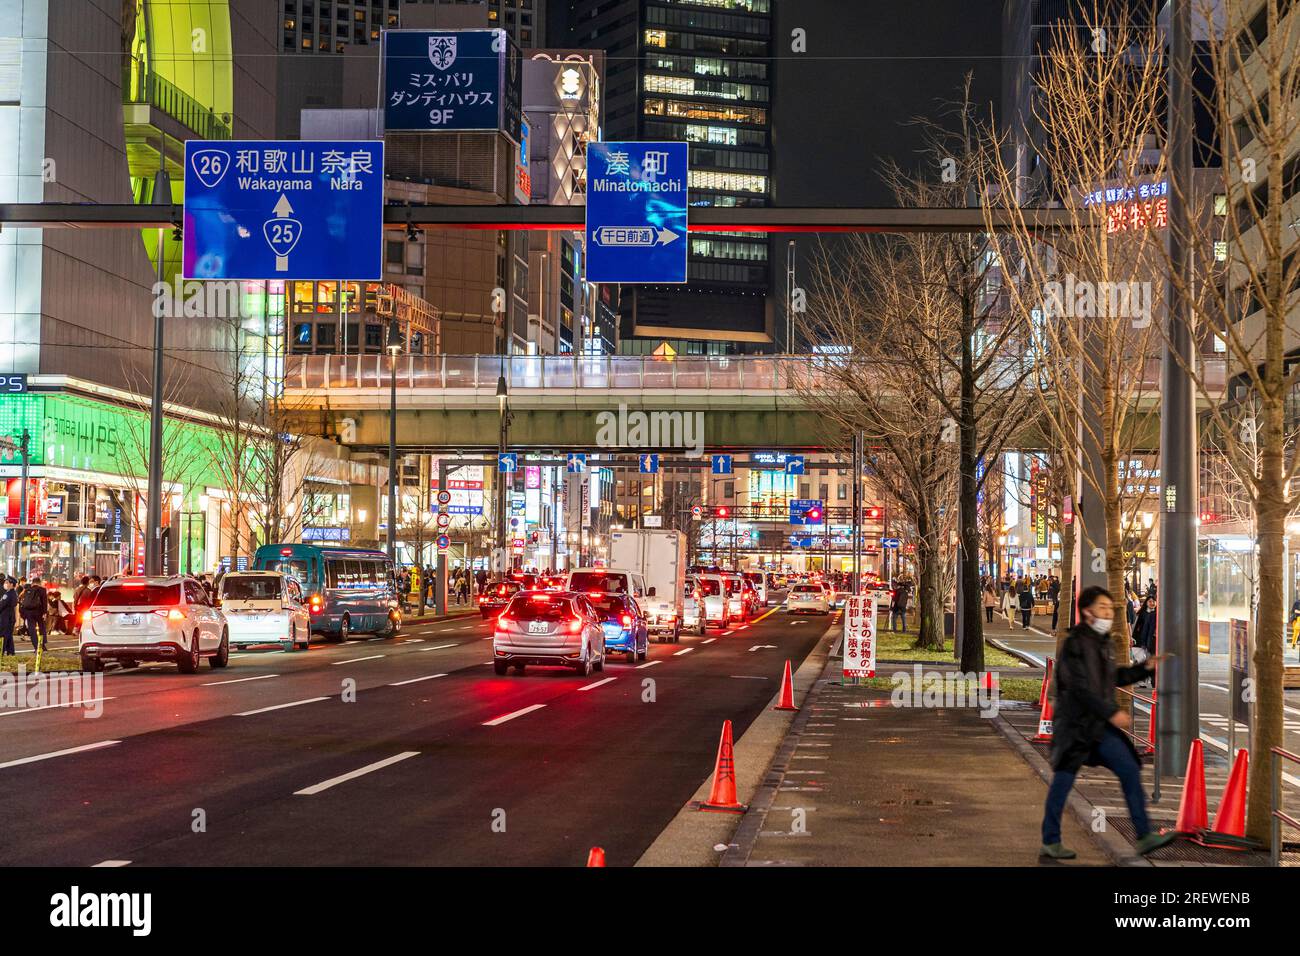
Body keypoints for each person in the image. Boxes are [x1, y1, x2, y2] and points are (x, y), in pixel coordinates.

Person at [1040, 585, 1175, 859]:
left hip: (1099, 728)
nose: (1108, 613)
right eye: (1102, 608)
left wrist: (1144, 668)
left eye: (1110, 608)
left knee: (1128, 768)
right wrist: (1111, 713)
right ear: (1088, 612)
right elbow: (1079, 688)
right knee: (1063, 781)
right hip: (1076, 728)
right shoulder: (1074, 644)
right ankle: (1050, 841)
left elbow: (1112, 677)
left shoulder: (1103, 643)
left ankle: (1144, 835)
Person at [19, 575, 49, 651]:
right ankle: (43, 645)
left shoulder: (27, 589)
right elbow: (44, 602)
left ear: (32, 583)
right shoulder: (42, 590)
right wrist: (45, 613)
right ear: (39, 583)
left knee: (32, 629)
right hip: (39, 612)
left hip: (28, 612)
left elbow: (20, 598)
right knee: (42, 628)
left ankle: (36, 647)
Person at [0, 577, 16, 656]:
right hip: (10, 617)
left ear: (11, 584)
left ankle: (1, 652)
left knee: (3, 635)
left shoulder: (8, 594)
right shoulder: (13, 593)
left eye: (7, 582)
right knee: (8, 635)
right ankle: (11, 652)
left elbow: (1, 605)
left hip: (6, 617)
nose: (5, 584)